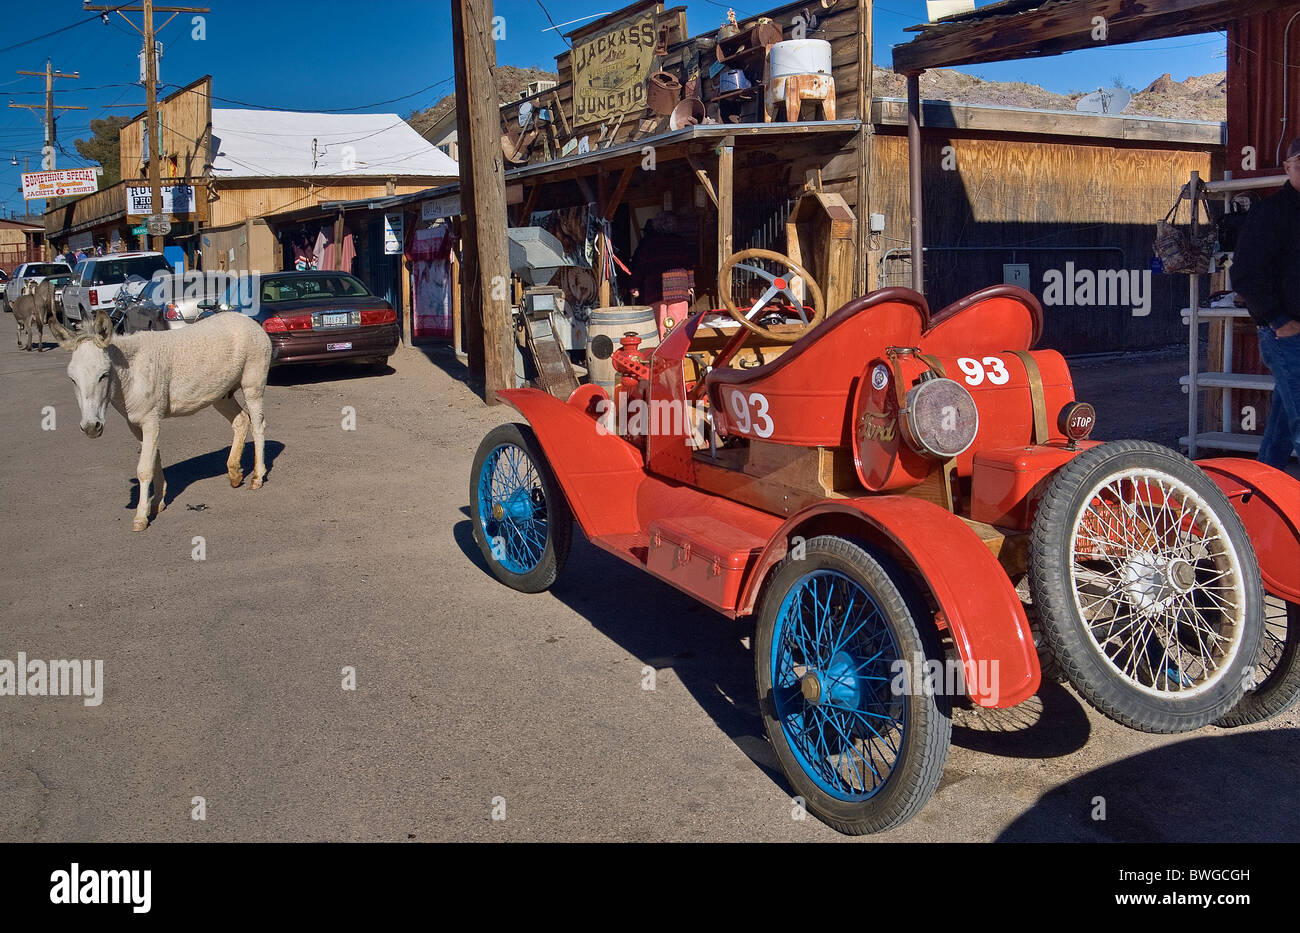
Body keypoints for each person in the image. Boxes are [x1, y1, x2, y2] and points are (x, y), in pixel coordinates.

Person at [1232, 137, 1300, 468]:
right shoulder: (1270, 213)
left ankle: (1259, 493)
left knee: (1284, 424)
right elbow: (1245, 274)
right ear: (1287, 168)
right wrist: (1278, 320)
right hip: (1286, 334)